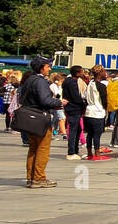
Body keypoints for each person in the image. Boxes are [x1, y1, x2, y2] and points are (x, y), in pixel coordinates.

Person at [18, 55, 64, 188]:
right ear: (42, 67)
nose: (49, 69)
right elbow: (45, 101)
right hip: (40, 118)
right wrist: (59, 102)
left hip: (29, 118)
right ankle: (39, 178)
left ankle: (30, 177)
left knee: (33, 148)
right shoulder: (40, 81)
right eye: (48, 66)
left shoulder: (29, 79)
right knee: (43, 149)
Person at [83, 66, 109, 160]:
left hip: (89, 111)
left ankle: (89, 153)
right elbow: (104, 100)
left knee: (90, 134)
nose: (105, 73)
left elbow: (85, 97)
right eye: (104, 72)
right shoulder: (101, 86)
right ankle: (97, 153)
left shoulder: (90, 83)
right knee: (97, 134)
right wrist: (107, 108)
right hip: (98, 112)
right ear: (100, 73)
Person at [62, 65, 87, 160]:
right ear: (77, 73)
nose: (83, 73)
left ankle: (75, 150)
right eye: (81, 72)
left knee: (78, 129)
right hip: (74, 108)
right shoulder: (71, 83)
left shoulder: (69, 81)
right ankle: (71, 152)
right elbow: (76, 97)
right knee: (73, 130)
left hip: (72, 108)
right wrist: (83, 104)